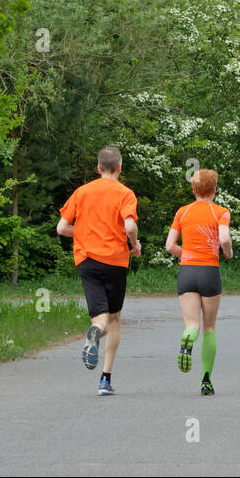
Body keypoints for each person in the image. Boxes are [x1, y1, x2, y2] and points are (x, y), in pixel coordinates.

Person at [56, 146, 141, 396]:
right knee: (114, 319)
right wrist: (134, 244)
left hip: (87, 260)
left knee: (99, 319)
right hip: (115, 260)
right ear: (120, 168)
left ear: (98, 168)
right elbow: (129, 225)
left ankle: (94, 333)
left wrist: (84, 234)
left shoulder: (81, 192)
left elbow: (62, 227)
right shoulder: (126, 194)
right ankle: (105, 379)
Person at [164, 168, 232, 396]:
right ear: (214, 190)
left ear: (193, 189)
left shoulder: (182, 212)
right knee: (210, 327)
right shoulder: (220, 212)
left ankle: (186, 338)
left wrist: (186, 254)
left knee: (191, 325)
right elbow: (224, 238)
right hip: (209, 271)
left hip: (187, 271)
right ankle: (206, 380)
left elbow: (169, 246)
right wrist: (228, 252)